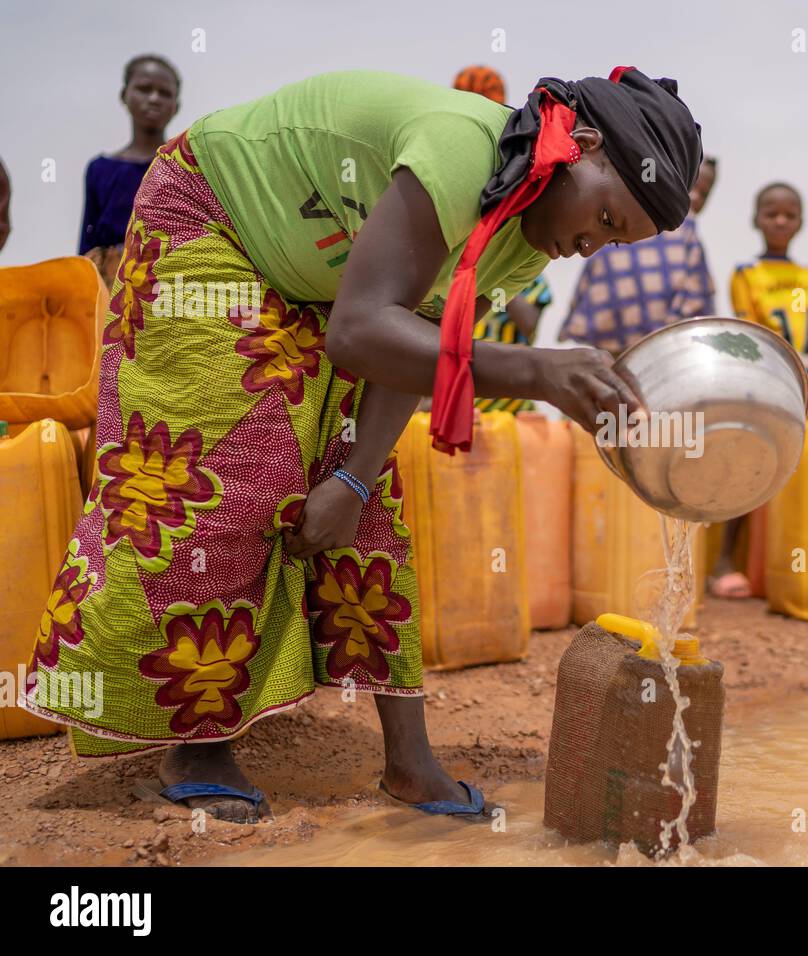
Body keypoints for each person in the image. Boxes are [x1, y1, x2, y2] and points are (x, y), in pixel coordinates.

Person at [21, 67, 702, 824]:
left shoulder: (526, 238)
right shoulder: (461, 152)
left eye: (614, 244)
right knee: (233, 473)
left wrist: (349, 481)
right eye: (606, 221)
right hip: (212, 219)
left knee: (370, 499)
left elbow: (413, 351)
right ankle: (197, 740)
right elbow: (361, 330)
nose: (589, 247)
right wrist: (532, 369)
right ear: (582, 145)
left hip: (318, 275)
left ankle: (408, 762)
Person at [708, 182, 808, 598]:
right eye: (772, 213)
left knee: (802, 477)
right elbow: (753, 334)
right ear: (756, 220)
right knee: (750, 468)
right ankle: (725, 563)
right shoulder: (747, 273)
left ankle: (789, 566)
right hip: (768, 382)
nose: (781, 221)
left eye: (790, 214)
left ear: (801, 222)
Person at [450, 64, 555, 414]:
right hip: (460, 404)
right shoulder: (452, 248)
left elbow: (530, 325)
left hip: (511, 411)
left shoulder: (523, 249)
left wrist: (489, 271)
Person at [559, 156, 716, 355]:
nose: (694, 198)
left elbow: (695, 281)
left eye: (703, 193)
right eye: (690, 188)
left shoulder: (687, 231)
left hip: (663, 335)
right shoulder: (627, 219)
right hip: (612, 324)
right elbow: (599, 269)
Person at [79, 55, 181, 285]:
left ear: (176, 106)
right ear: (124, 96)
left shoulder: (182, 166)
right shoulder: (100, 169)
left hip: (167, 285)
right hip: (110, 284)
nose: (154, 99)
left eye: (164, 93)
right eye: (144, 89)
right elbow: (87, 245)